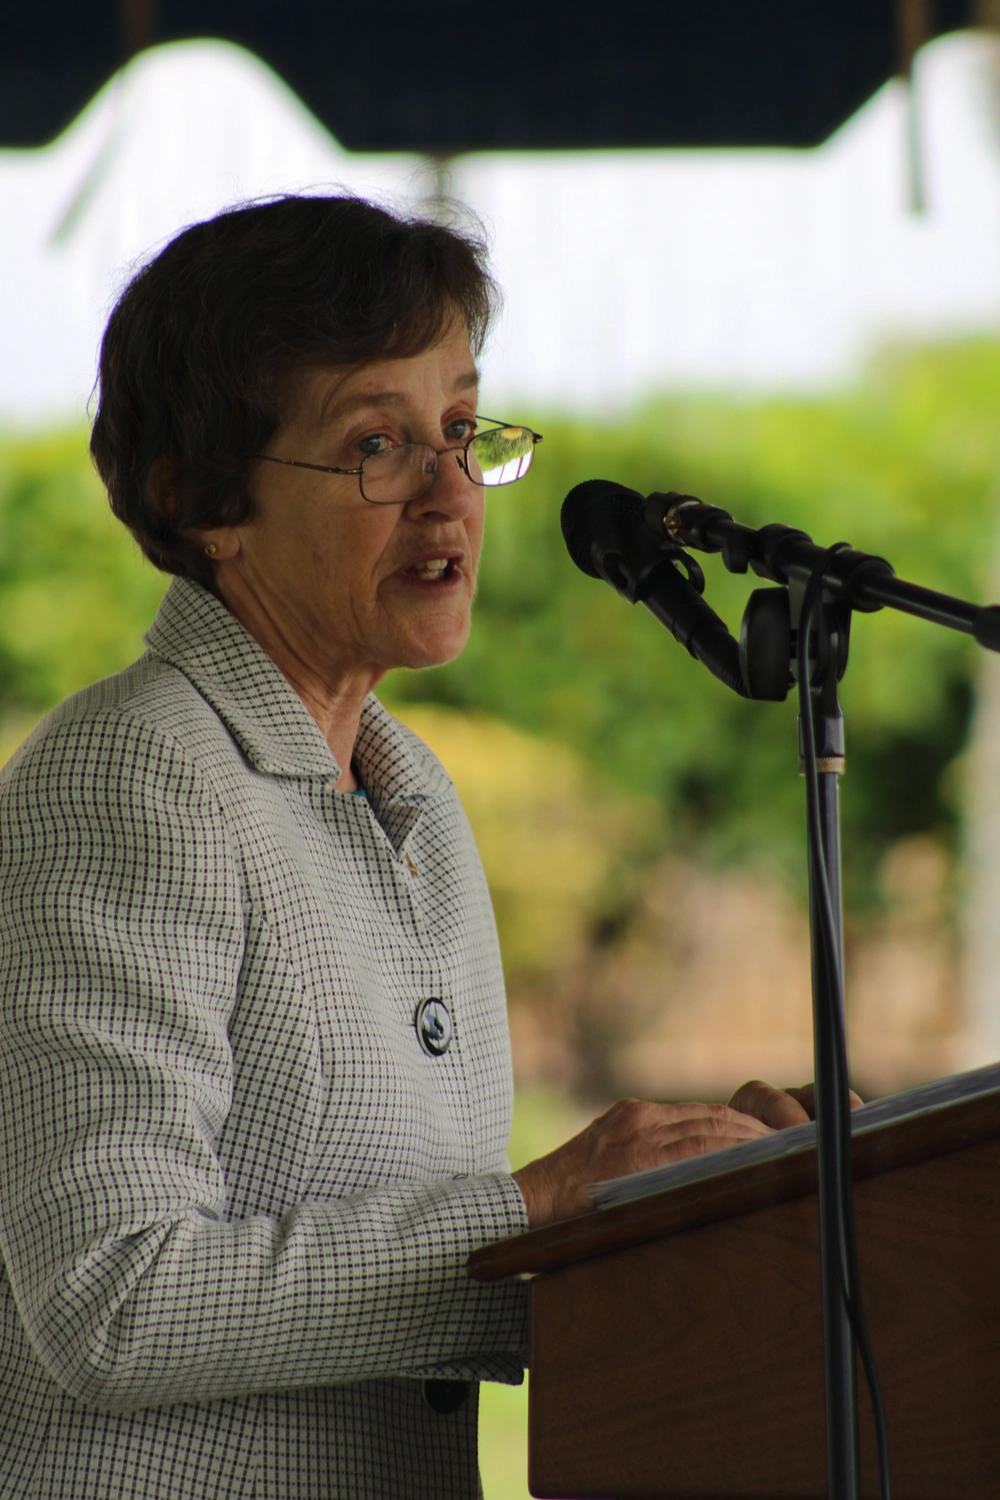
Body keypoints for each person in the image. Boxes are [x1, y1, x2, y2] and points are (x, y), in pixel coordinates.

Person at [0, 195, 816, 1500]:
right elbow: (113, 1299)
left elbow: (415, 1283)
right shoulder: (132, 771)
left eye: (460, 430)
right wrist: (541, 1205)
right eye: (376, 445)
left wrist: (710, 1201)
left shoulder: (414, 794)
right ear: (201, 499)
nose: (450, 493)